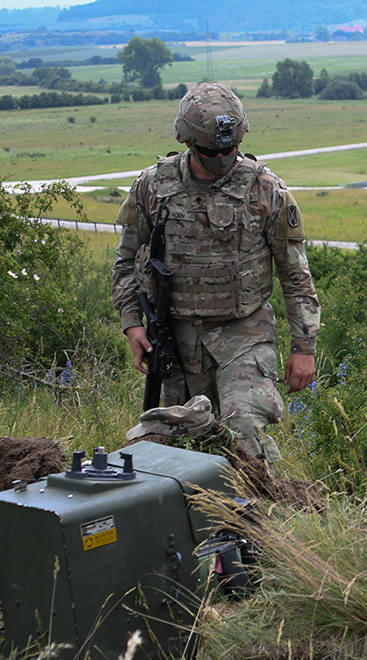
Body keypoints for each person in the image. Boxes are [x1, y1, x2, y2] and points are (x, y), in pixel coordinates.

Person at [111, 82, 319, 464]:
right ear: (188, 141)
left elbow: (296, 277)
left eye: (230, 148)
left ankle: (264, 515)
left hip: (244, 334)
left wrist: (303, 349)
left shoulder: (265, 189)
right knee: (184, 447)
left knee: (243, 432)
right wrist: (132, 324)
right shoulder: (152, 187)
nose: (223, 156)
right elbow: (126, 261)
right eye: (212, 150)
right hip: (175, 337)